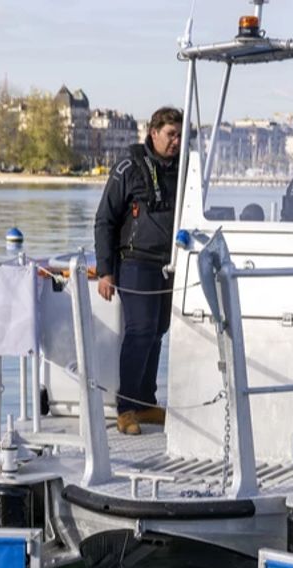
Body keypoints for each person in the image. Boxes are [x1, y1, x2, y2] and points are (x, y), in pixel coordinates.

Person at [94, 106, 183, 435]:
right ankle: (126, 408)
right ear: (153, 133)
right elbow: (105, 219)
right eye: (171, 134)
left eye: (180, 135)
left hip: (168, 263)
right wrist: (105, 271)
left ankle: (145, 401)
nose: (176, 141)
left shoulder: (182, 169)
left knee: (158, 330)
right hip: (135, 261)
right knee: (140, 330)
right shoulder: (129, 166)